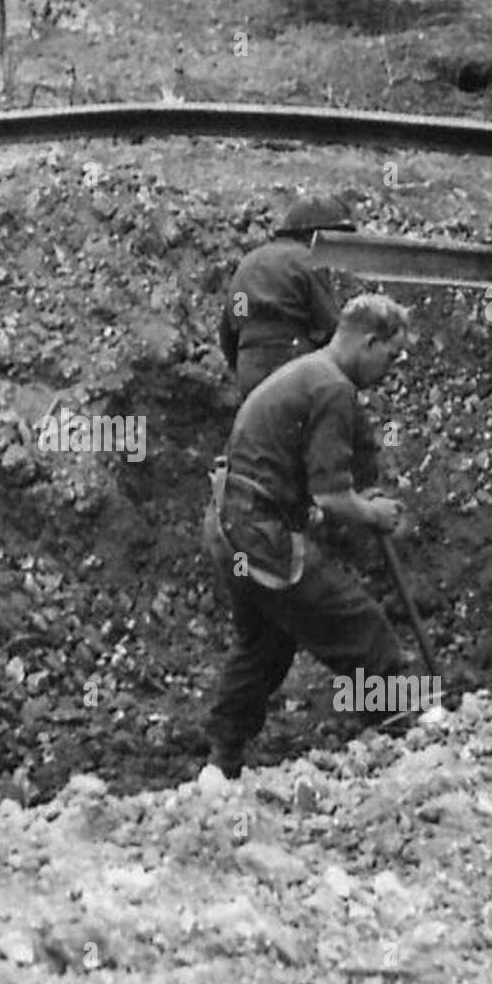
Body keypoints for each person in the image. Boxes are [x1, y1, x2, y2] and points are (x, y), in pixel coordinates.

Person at [202, 294, 416, 777]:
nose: (392, 367)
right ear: (368, 340)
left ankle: (220, 763)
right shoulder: (331, 387)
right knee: (361, 628)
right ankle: (406, 743)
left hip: (227, 524)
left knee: (265, 647)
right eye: (391, 354)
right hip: (257, 530)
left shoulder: (310, 373)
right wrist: (374, 512)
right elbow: (333, 496)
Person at [219, 195, 380, 487]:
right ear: (315, 235)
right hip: (290, 358)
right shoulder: (307, 261)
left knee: (263, 444)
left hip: (248, 364)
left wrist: (242, 364)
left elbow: (231, 324)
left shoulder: (248, 263)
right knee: (309, 445)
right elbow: (332, 327)